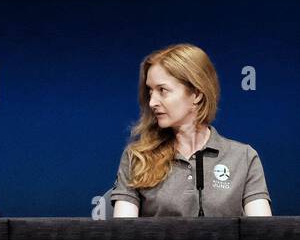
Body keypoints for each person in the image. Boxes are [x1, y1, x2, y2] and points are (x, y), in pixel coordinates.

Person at [110, 43, 271, 218]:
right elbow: (123, 233)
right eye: (150, 92)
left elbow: (262, 234)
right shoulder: (137, 157)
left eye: (162, 90)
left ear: (196, 94)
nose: (152, 102)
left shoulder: (244, 158)